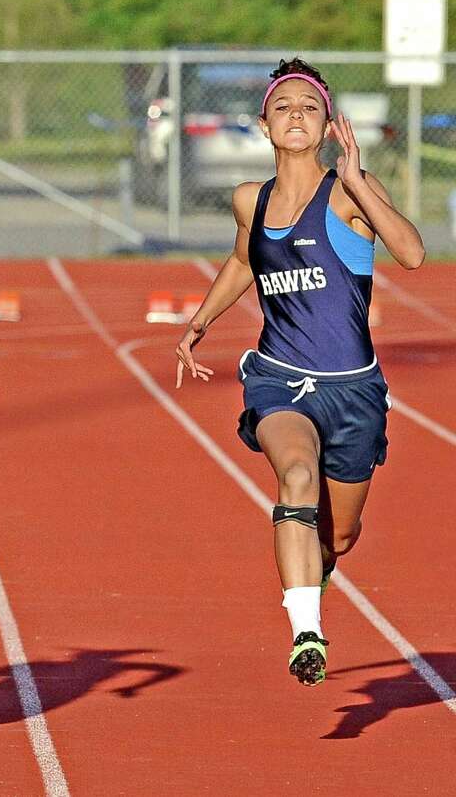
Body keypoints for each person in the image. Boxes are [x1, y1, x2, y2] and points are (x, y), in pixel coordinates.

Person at [175, 58, 424, 686]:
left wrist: (357, 177)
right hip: (279, 376)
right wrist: (200, 320)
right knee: (294, 473)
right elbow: (242, 262)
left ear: (328, 123)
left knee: (339, 537)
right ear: (263, 125)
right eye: (282, 106)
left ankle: (319, 567)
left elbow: (413, 253)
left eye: (308, 107)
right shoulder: (248, 200)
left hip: (355, 391)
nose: (295, 116)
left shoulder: (348, 191)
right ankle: (306, 631)